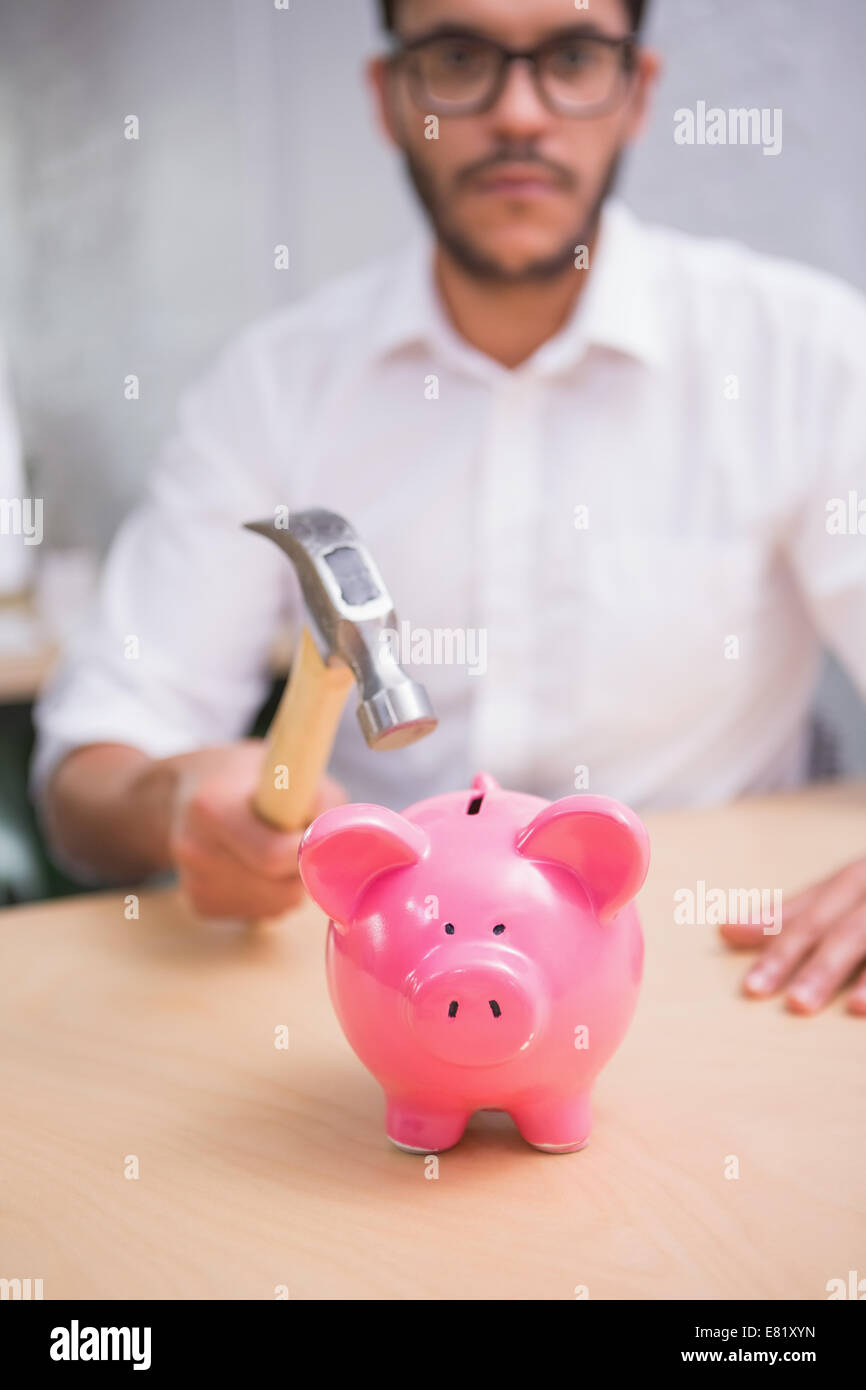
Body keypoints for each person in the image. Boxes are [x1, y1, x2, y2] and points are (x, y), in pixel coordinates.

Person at [31, 0, 866, 1014]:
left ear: (636, 93)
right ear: (389, 98)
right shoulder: (275, 387)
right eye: (459, 56)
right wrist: (170, 803)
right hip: (373, 985)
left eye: (569, 57)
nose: (517, 112)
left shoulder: (806, 359)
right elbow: (89, 768)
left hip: (716, 977)